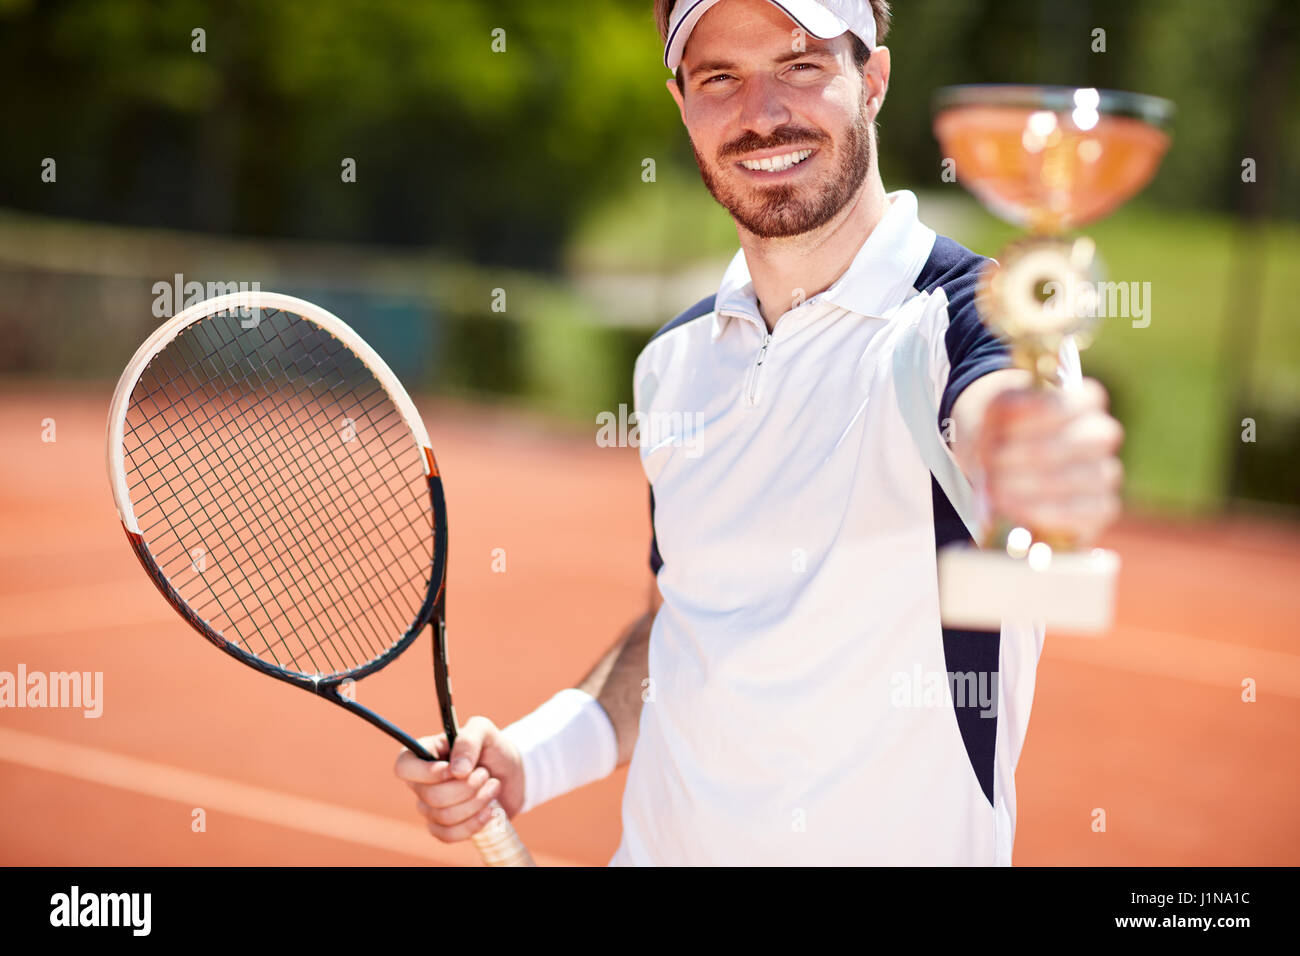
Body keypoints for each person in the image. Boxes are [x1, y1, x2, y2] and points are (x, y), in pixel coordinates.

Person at [394, 0, 1123, 865]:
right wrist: (536, 758)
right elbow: (682, 623)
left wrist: (1028, 453)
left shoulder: (969, 320)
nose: (763, 112)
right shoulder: (673, 361)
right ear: (682, 106)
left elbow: (996, 417)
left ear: (874, 79)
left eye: (802, 65)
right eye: (721, 78)